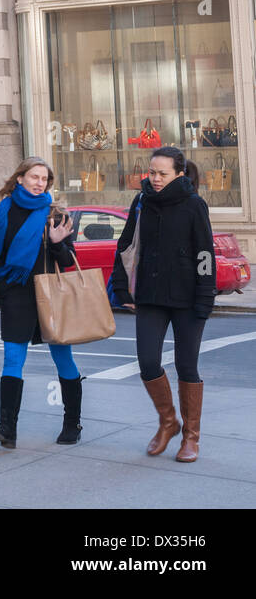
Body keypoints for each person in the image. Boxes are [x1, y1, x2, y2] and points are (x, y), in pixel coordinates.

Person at [111, 146, 214, 463]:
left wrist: (205, 295)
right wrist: (121, 288)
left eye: (162, 174)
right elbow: (126, 243)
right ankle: (168, 422)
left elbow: (204, 254)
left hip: (187, 298)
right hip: (151, 295)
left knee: (187, 366)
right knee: (147, 362)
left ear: (179, 174)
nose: (155, 179)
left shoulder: (194, 205)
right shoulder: (142, 201)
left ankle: (191, 438)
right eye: (152, 172)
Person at [0, 157, 81, 448]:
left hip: (51, 294)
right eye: (34, 177)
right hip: (18, 294)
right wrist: (6, 288)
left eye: (44, 179)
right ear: (19, 178)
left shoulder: (55, 214)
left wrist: (58, 242)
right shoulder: (3, 210)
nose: (39, 183)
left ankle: (73, 423)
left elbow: (68, 263)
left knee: (63, 359)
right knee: (12, 359)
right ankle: (7, 429)